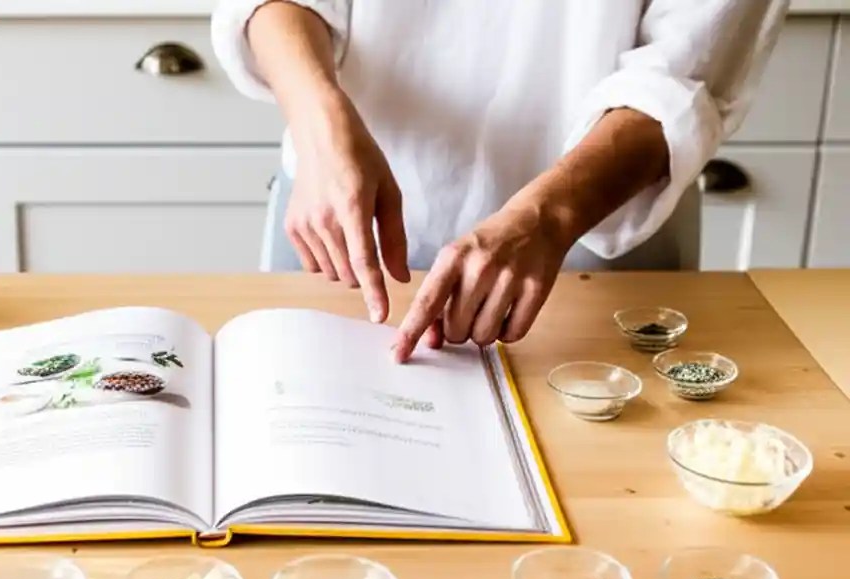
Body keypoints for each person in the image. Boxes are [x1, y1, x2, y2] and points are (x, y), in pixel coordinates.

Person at [212, 0, 787, 360]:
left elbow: (688, 73)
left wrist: (547, 216)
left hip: (593, 240)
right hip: (340, 212)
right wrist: (321, 118)